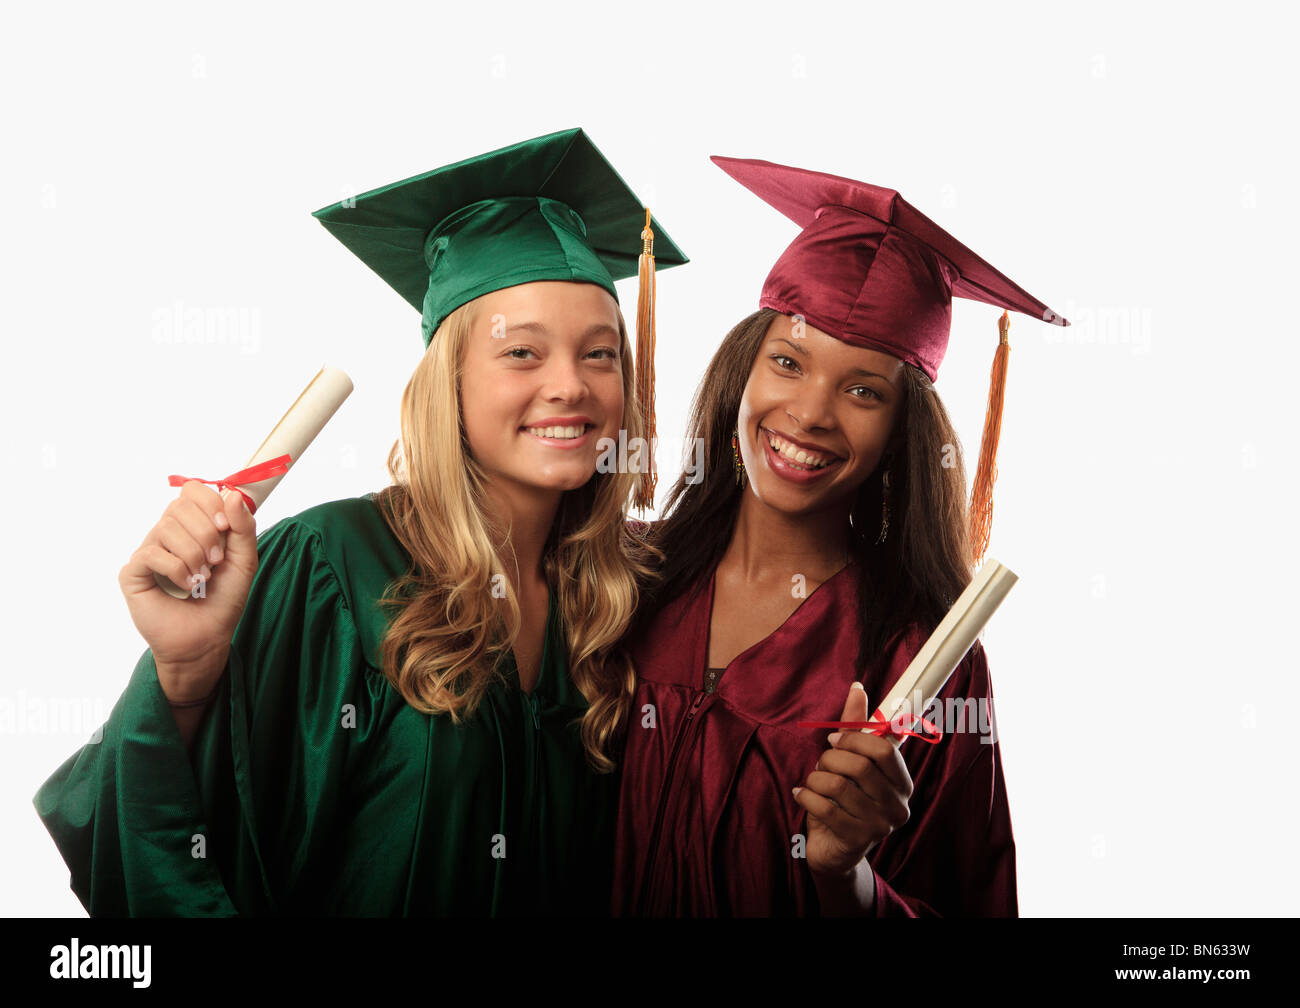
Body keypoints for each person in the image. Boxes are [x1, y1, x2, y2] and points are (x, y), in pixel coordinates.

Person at [33, 128, 687, 916]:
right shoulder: (331, 565)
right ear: (449, 381)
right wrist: (185, 677)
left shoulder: (617, 596)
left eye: (601, 354)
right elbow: (170, 833)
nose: (569, 385)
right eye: (521, 354)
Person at [612, 155, 1068, 916]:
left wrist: (845, 876)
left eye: (862, 389)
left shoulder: (926, 660)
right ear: (742, 375)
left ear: (900, 433)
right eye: (788, 362)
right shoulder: (623, 577)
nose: (812, 413)